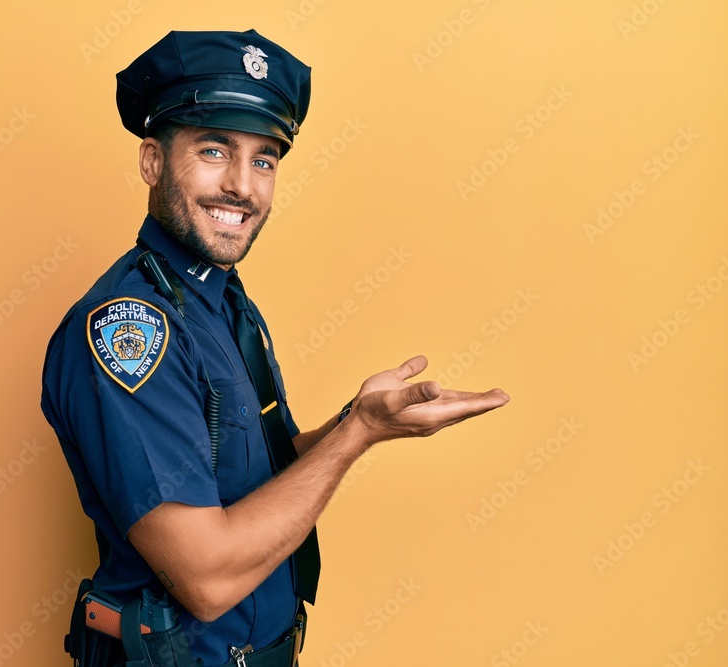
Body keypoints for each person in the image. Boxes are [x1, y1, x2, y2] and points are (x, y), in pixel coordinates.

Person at [41, 29, 509, 667]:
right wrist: (356, 438)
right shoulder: (130, 329)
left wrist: (361, 418)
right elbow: (204, 580)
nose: (243, 186)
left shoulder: (224, 303)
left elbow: (269, 471)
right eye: (214, 150)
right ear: (152, 161)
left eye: (264, 159)